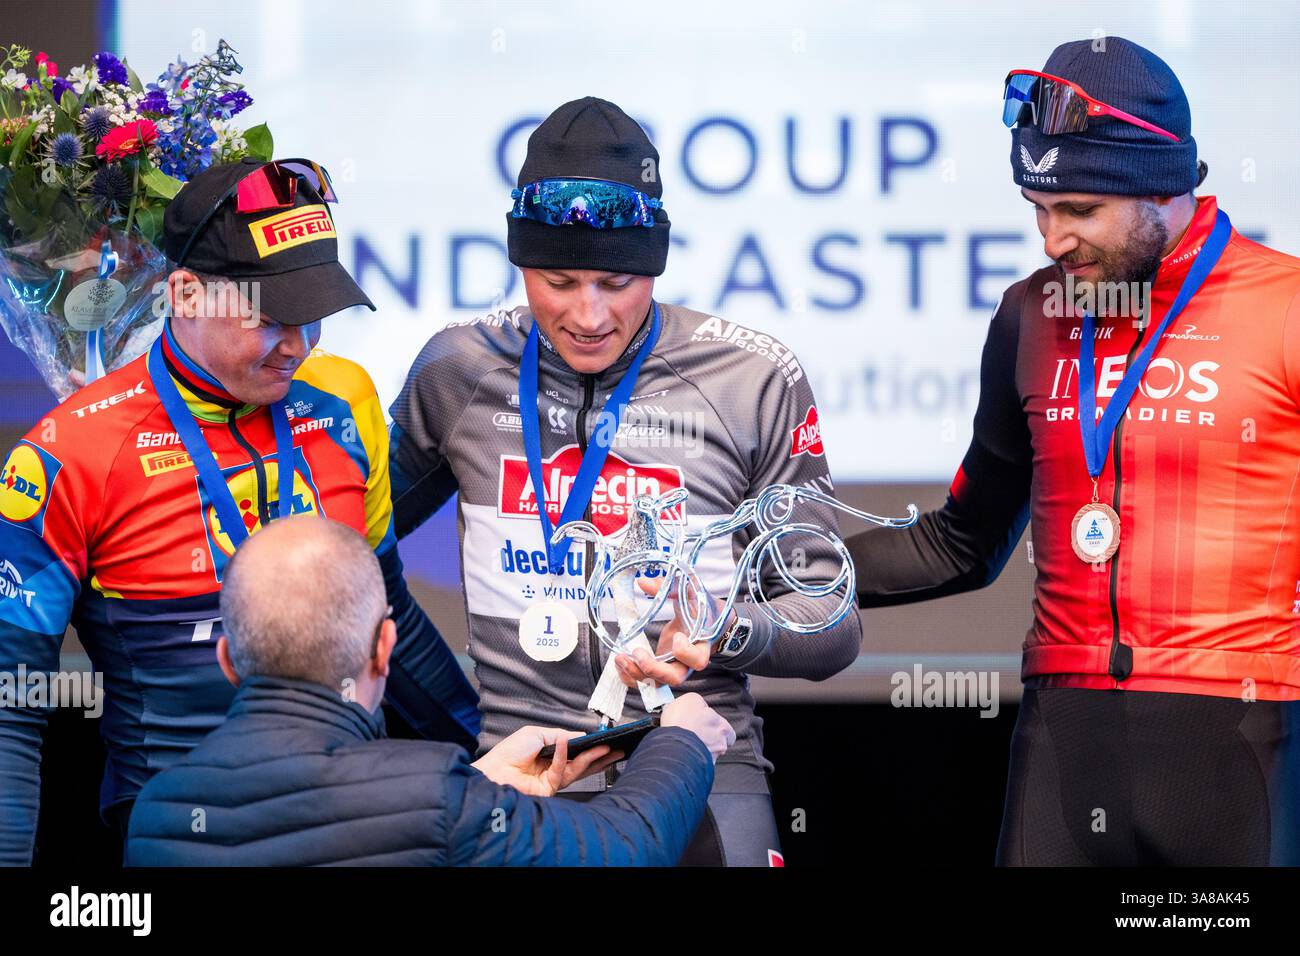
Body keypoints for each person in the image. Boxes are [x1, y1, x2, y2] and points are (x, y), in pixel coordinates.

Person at [849, 37, 1300, 865]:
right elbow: (961, 542)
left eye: (1081, 211)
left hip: (1240, 733)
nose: (1053, 239)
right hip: (1062, 737)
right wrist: (765, 574)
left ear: (1164, 187)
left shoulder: (1285, 307)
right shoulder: (1031, 314)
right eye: (1039, 209)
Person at [389, 96, 861, 866]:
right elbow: (350, 547)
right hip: (523, 771)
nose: (588, 314)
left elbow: (833, 623)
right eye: (558, 279)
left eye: (617, 280)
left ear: (656, 262)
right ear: (518, 262)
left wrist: (723, 628)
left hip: (701, 757)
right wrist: (438, 699)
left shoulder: (750, 375)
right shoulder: (459, 369)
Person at [0, 158, 479, 865]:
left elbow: (392, 615)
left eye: (313, 316)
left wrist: (487, 759)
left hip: (362, 828)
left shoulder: (344, 402)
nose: (299, 345)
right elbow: (13, 706)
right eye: (271, 319)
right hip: (185, 840)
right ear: (186, 294)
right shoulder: (72, 451)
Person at [125, 517, 731, 866]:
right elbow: (624, 849)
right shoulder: (431, 794)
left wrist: (477, 785)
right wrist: (681, 742)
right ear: (385, 648)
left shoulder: (157, 813)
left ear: (228, 660)